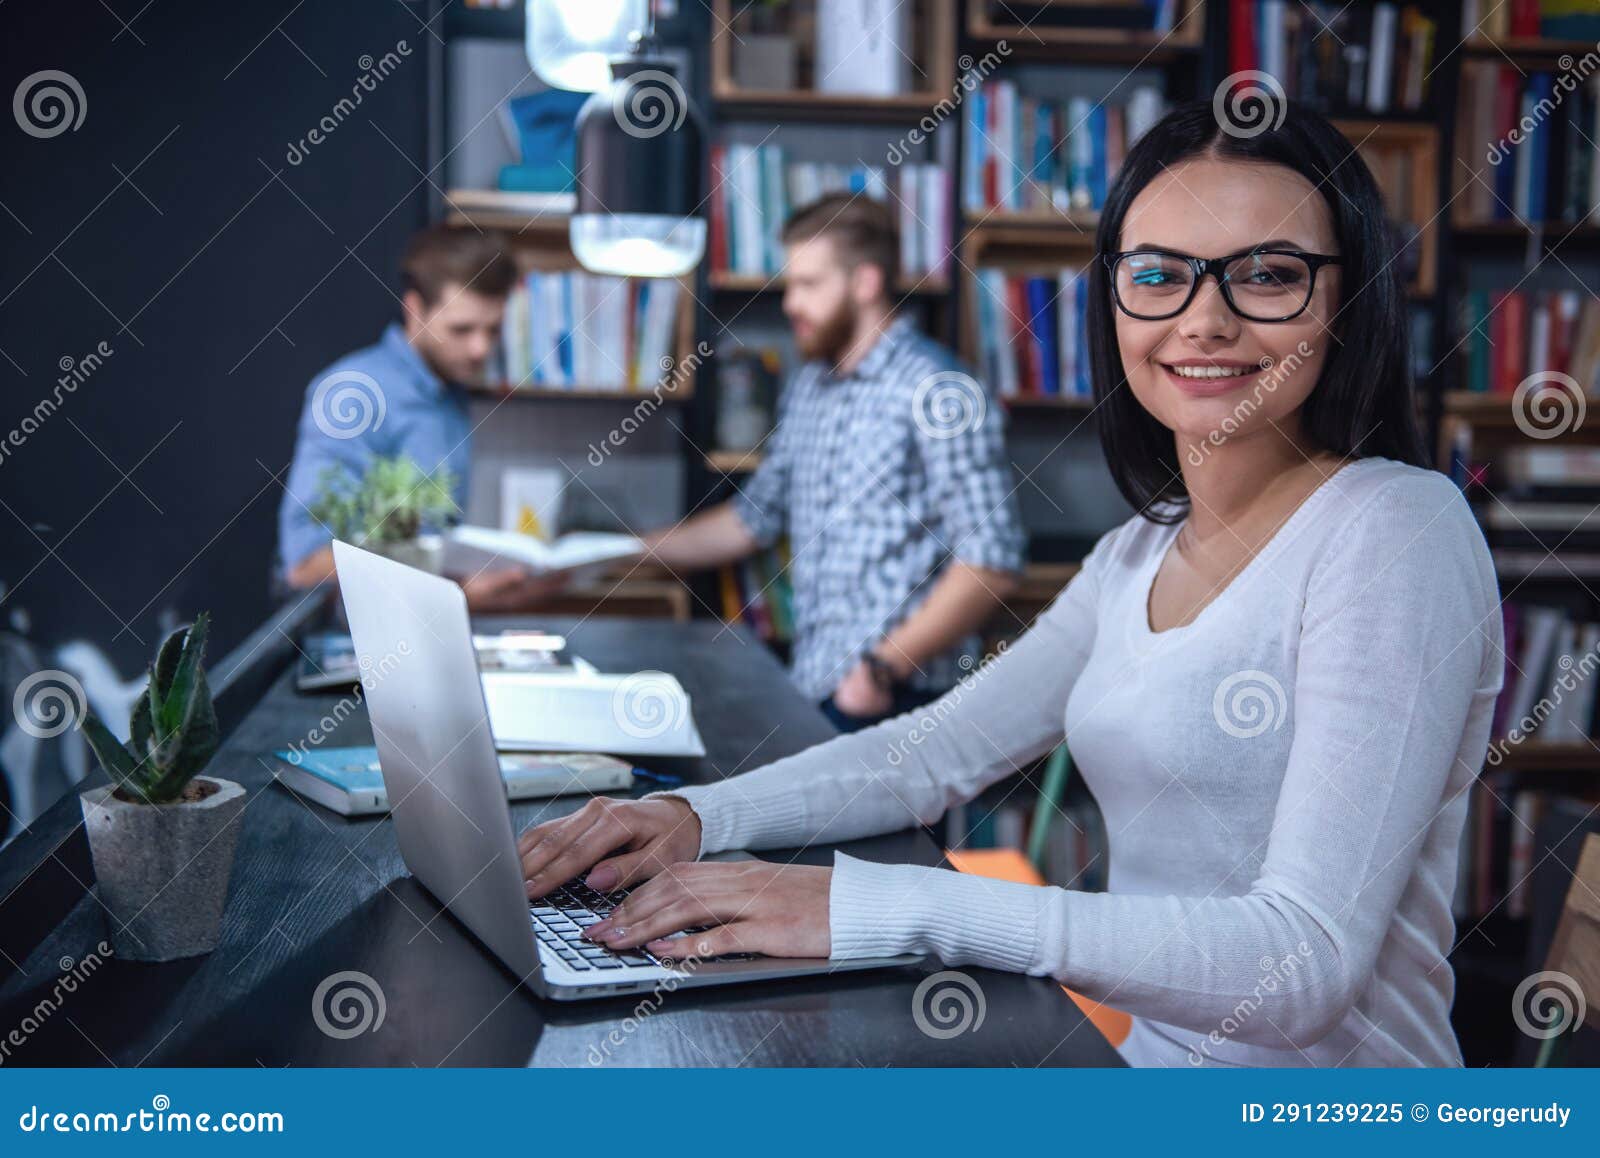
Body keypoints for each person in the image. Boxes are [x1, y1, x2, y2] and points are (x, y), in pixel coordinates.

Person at [512, 100, 1504, 1067]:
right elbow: (929, 753)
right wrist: (699, 816)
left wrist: (882, 908)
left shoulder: (1392, 528)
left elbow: (1302, 966)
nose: (1205, 320)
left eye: (1270, 275)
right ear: (1113, 297)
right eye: (1157, 275)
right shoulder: (1137, 552)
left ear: (1346, 302)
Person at [642, 194, 1026, 730]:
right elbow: (750, 520)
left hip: (895, 701)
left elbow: (991, 564)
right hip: (814, 688)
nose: (791, 303)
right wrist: (615, 556)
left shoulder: (939, 389)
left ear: (865, 282)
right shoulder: (810, 387)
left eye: (809, 284)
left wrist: (879, 671)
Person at [276, 225, 554, 611]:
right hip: (356, 646)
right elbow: (307, 565)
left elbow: (428, 546)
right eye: (461, 329)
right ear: (414, 309)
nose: (480, 349)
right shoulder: (352, 393)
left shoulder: (450, 393)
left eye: (493, 330)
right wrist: (453, 591)